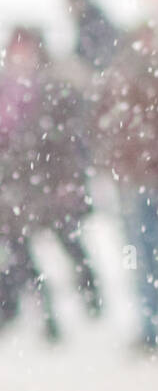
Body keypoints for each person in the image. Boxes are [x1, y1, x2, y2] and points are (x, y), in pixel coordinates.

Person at [93, 24, 158, 349]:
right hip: (135, 180)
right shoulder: (119, 81)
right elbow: (102, 125)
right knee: (142, 256)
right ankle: (152, 327)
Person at [0, 25, 100, 334]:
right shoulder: (6, 88)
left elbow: (68, 142)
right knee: (19, 249)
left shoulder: (55, 89)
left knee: (64, 241)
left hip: (45, 180)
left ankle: (89, 293)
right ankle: (36, 312)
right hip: (12, 182)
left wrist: (68, 181)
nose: (21, 56)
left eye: (26, 49)